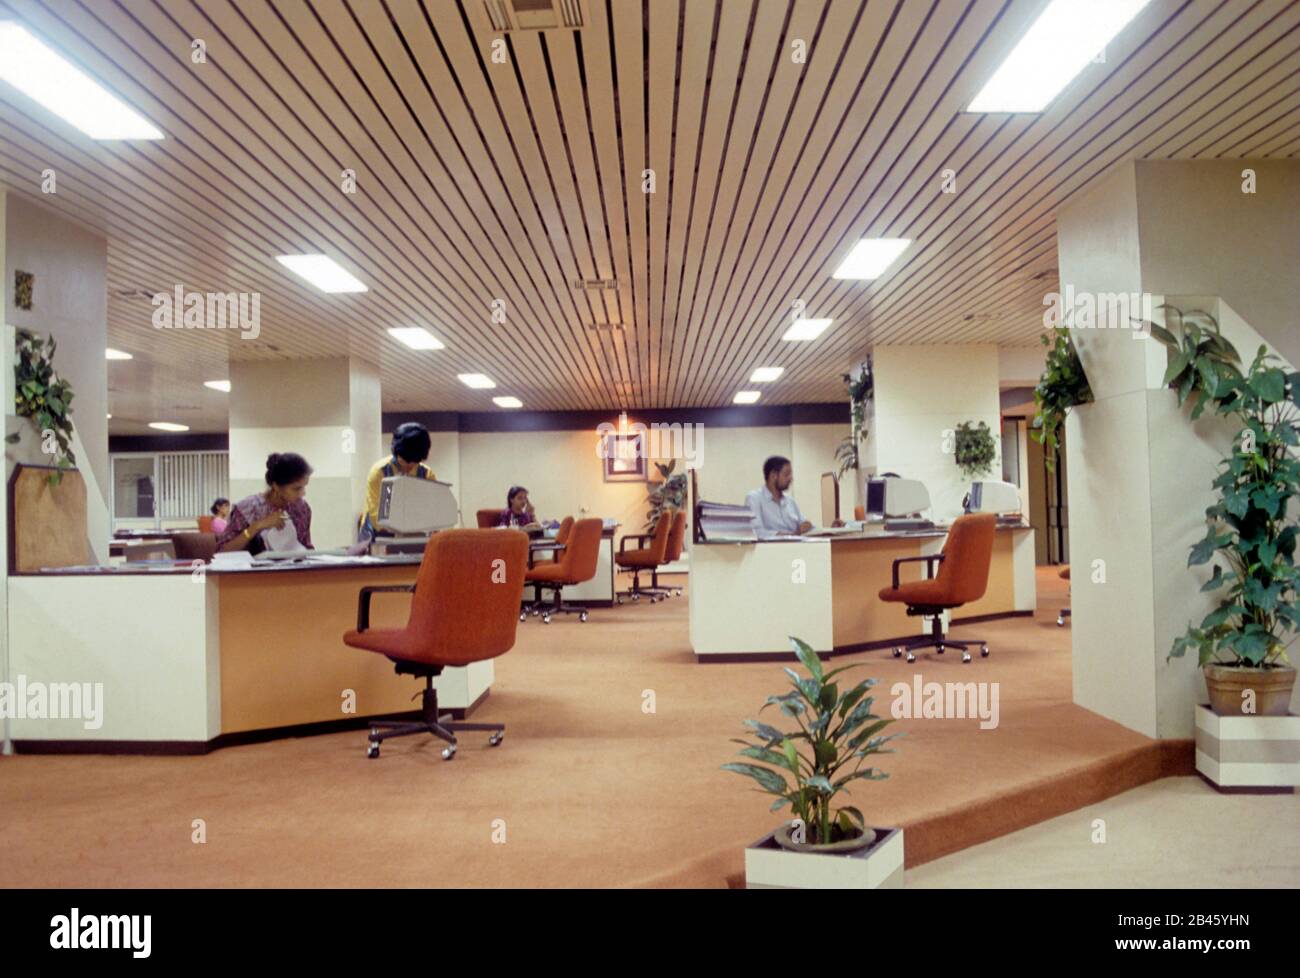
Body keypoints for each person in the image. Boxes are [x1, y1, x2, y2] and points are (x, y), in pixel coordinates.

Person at [217, 453, 314, 554]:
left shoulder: (302, 509)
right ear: (276, 486)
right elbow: (222, 552)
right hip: (254, 568)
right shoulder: (248, 508)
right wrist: (256, 526)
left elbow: (306, 547)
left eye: (304, 487)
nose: (302, 494)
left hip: (293, 568)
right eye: (296, 489)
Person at [360, 422, 438, 538]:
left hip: (415, 534)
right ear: (396, 453)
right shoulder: (380, 472)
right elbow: (378, 515)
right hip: (379, 535)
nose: (409, 466)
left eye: (415, 462)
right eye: (405, 461)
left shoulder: (426, 474)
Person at [745, 455, 813, 538]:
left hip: (798, 547)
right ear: (773, 475)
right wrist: (789, 536)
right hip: (772, 549)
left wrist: (806, 525)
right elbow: (756, 532)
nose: (791, 478)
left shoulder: (790, 500)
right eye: (786, 474)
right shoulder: (754, 498)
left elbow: (803, 522)